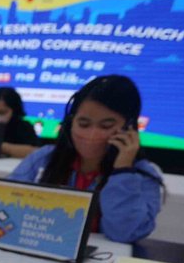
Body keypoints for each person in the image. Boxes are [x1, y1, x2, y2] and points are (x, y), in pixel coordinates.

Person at [9, 75, 162, 243]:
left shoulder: (142, 175)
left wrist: (123, 171)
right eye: (83, 124)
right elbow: (7, 208)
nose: (92, 135)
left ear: (129, 128)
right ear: (70, 123)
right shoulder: (44, 158)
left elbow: (123, 234)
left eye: (106, 126)